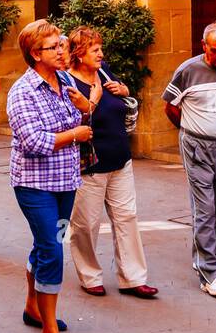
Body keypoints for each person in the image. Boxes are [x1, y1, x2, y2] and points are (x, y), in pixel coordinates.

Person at [6, 19, 96, 333]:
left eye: (62, 44)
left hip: (66, 181)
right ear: (35, 54)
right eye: (55, 46)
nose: (63, 50)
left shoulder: (66, 80)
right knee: (52, 250)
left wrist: (85, 108)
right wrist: (75, 135)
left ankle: (33, 306)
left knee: (48, 244)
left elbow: (84, 118)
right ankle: (49, 331)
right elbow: (34, 142)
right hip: (34, 184)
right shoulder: (22, 92)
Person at [65, 26, 157, 298]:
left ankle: (133, 277)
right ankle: (90, 275)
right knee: (86, 225)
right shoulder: (69, 84)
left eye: (100, 49)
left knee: (127, 218)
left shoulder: (103, 72)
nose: (101, 54)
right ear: (80, 54)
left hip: (120, 160)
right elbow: (71, 123)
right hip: (91, 166)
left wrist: (125, 89)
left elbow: (122, 102)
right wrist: (91, 104)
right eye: (95, 50)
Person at [162, 22, 216, 298]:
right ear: (204, 47)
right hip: (195, 144)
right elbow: (170, 106)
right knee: (204, 207)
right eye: (215, 51)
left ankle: (204, 254)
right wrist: (190, 130)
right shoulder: (187, 70)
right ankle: (210, 272)